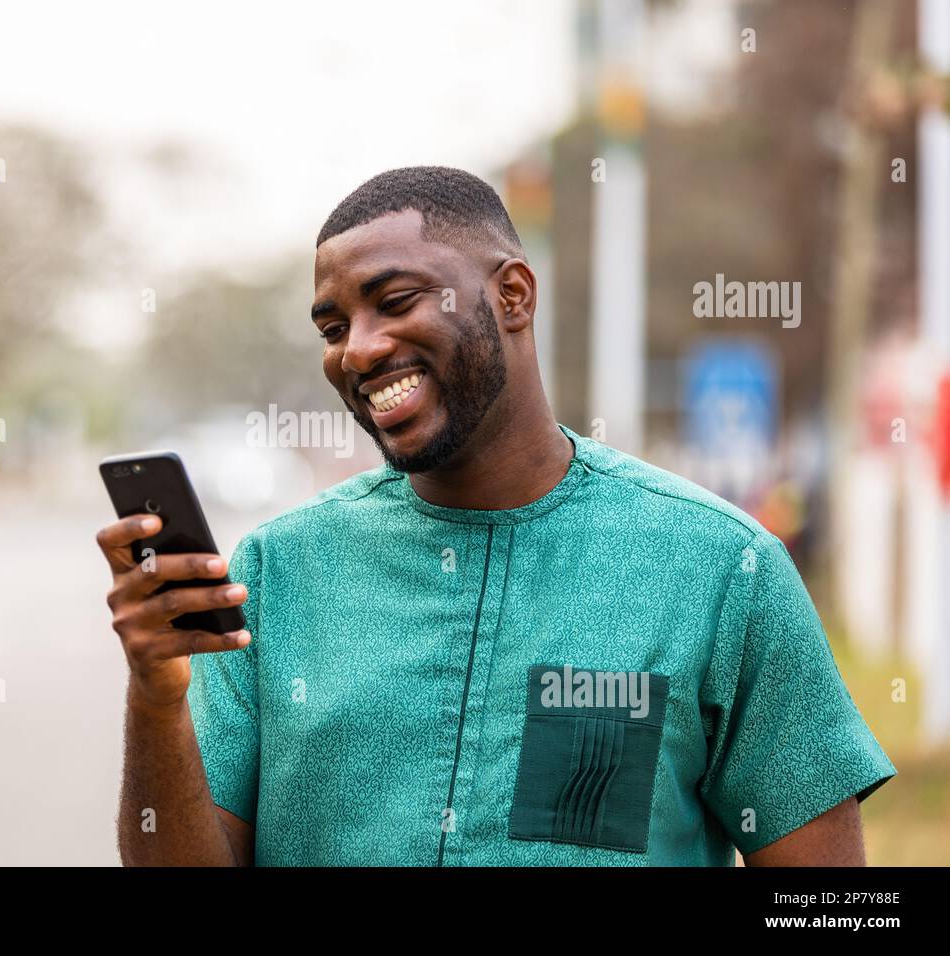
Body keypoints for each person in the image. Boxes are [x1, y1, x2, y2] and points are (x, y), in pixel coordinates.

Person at [97, 166, 895, 866]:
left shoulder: (721, 570)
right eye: (334, 328)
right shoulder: (277, 573)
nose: (359, 351)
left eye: (395, 301)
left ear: (511, 295)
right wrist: (155, 694)